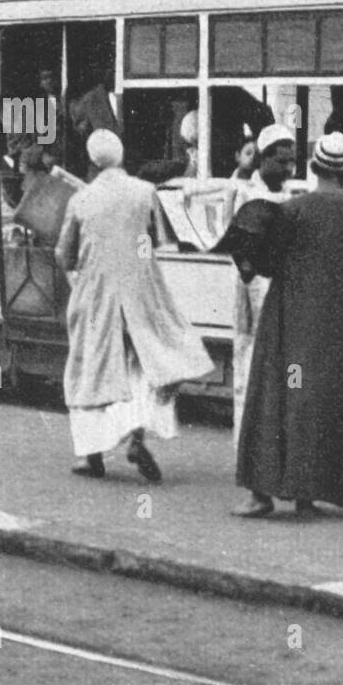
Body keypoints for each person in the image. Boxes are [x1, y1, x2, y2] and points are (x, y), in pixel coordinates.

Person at [234, 133, 343, 518]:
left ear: (313, 167)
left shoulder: (292, 210)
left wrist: (247, 258)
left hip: (288, 320)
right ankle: (309, 493)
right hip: (337, 325)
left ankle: (263, 494)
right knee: (324, 400)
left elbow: (265, 264)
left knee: (281, 394)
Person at [55, 130, 214, 482]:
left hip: (96, 295)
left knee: (90, 367)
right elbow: (155, 240)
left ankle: (91, 455)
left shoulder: (82, 199)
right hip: (142, 291)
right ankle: (137, 437)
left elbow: (65, 255)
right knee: (143, 366)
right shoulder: (145, 192)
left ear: (93, 161)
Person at [227, 124, 296, 456]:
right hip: (253, 289)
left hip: (283, 289)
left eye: (292, 162)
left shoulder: (292, 196)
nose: (287, 169)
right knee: (250, 359)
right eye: (281, 161)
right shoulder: (244, 194)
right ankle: (248, 443)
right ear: (264, 159)